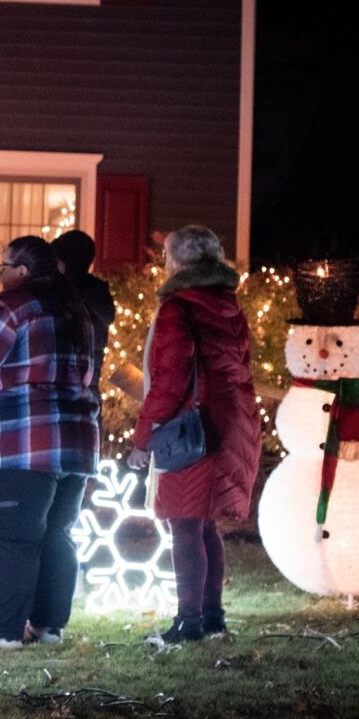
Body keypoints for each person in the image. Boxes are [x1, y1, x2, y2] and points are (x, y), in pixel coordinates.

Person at [0, 235, 100, 650]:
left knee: (13, 538)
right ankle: (48, 625)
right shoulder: (74, 309)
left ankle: (5, 631)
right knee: (58, 533)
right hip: (74, 441)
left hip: (20, 441)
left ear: (23, 271)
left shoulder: (11, 306)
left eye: (3, 267)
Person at [127, 226, 260, 642]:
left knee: (184, 527)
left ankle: (189, 622)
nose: (164, 262)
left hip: (191, 430)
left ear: (181, 261)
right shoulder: (228, 305)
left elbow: (170, 379)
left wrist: (143, 437)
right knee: (203, 527)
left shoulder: (176, 308)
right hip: (229, 423)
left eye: (166, 255)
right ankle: (211, 615)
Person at [53, 230, 117, 370]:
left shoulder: (70, 292)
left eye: (58, 261)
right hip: (86, 372)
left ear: (67, 264)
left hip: (74, 371)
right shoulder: (95, 290)